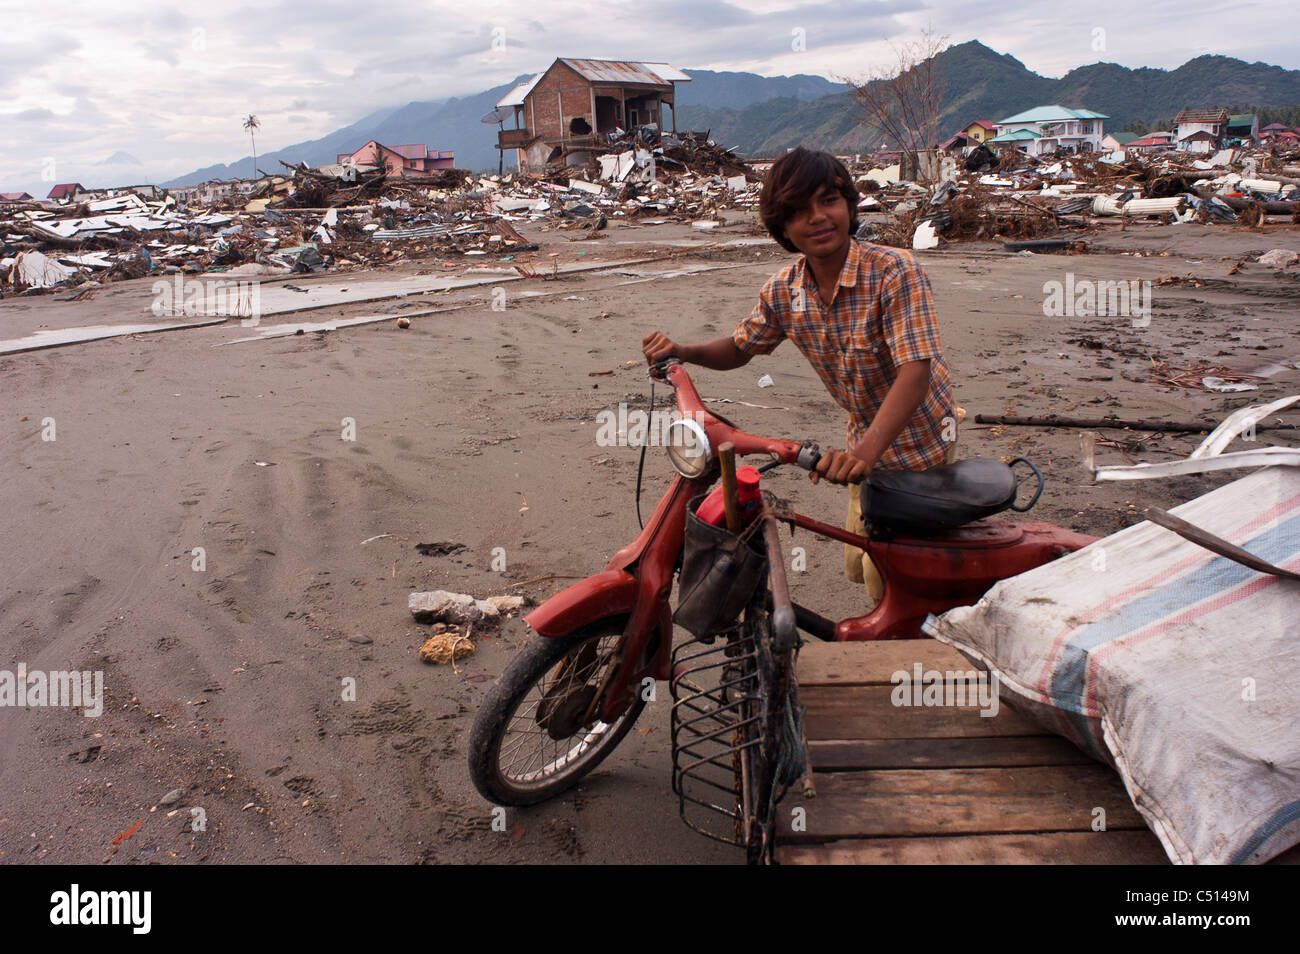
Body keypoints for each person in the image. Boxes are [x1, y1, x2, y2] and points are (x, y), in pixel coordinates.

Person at [642, 147, 956, 602]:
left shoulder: (895, 272)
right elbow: (739, 348)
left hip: (921, 444)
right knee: (865, 563)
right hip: (862, 441)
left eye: (828, 200)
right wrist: (682, 352)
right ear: (782, 227)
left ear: (849, 205)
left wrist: (864, 455)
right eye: (798, 210)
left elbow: (916, 370)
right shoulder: (785, 290)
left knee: (903, 581)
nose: (818, 218)